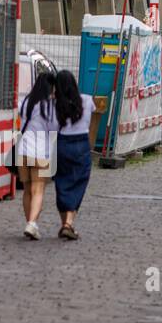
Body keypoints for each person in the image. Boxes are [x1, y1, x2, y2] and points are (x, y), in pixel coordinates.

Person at [53, 70, 106, 240]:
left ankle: (65, 224)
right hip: (81, 143)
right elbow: (93, 113)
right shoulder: (86, 100)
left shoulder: (55, 105)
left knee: (62, 181)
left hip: (62, 144)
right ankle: (68, 223)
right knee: (79, 181)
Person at [17, 72, 58, 240]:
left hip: (23, 151)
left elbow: (20, 119)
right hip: (41, 151)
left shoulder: (25, 102)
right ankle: (32, 223)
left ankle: (30, 223)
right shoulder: (49, 106)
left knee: (27, 190)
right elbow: (54, 127)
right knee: (38, 189)